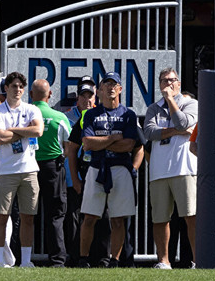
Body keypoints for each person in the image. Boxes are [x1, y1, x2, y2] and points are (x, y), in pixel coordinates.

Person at [67, 74, 141, 267]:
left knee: (118, 220)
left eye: (114, 84)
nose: (110, 88)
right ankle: (83, 259)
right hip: (96, 169)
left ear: (120, 89)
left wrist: (103, 143)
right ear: (99, 91)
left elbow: (130, 145)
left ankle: (114, 260)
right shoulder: (90, 115)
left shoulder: (128, 115)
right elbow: (88, 143)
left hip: (120, 169)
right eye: (106, 84)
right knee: (89, 217)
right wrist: (113, 138)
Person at [142, 67, 198, 269]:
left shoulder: (191, 104)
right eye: (164, 81)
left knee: (191, 216)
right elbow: (149, 132)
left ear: (178, 83)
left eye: (172, 80)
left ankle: (197, 260)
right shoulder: (153, 108)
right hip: (159, 170)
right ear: (159, 84)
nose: (168, 84)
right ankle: (164, 261)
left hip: (184, 168)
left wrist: (171, 101)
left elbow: (184, 122)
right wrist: (176, 131)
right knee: (160, 218)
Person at [29, 77, 73, 265]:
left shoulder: (25, 115)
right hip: (53, 168)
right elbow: (68, 147)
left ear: (31, 94)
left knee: (25, 214)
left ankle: (19, 256)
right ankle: (57, 259)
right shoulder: (59, 117)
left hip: (28, 166)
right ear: (50, 94)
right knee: (55, 214)